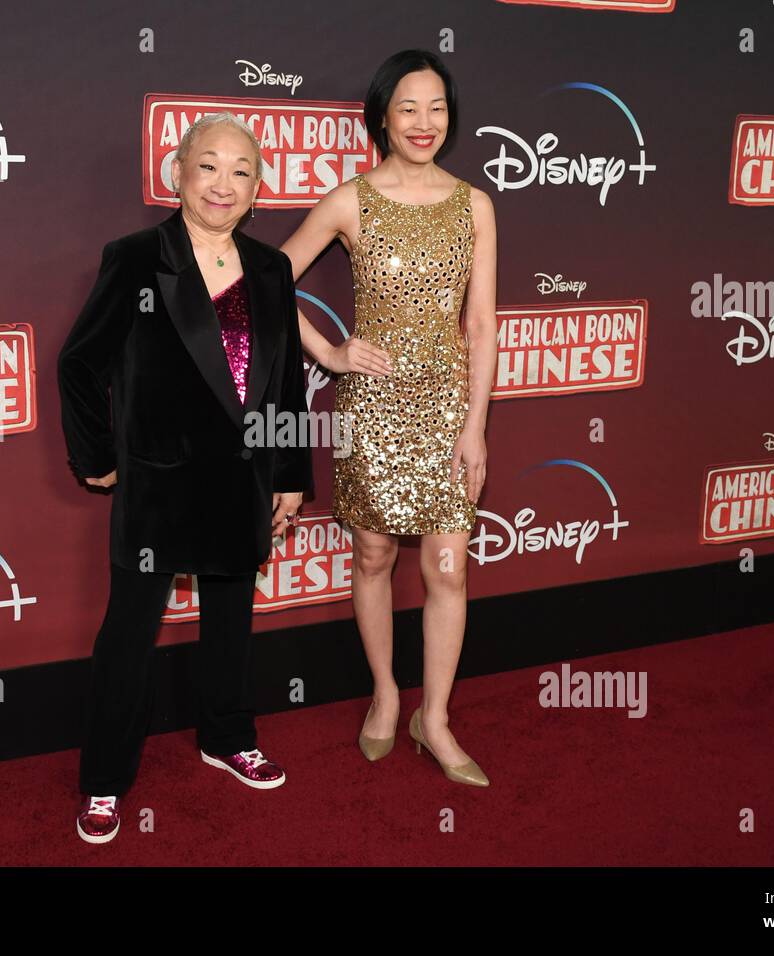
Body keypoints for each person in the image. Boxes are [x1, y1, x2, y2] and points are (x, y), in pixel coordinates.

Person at [58, 112, 313, 843]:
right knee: (128, 635)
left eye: (241, 171)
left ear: (258, 188)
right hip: (159, 485)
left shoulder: (271, 269)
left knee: (232, 619)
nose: (222, 184)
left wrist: (289, 470)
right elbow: (80, 363)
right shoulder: (137, 258)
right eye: (208, 166)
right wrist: (97, 458)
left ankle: (227, 737)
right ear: (177, 173)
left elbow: (284, 381)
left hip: (243, 479)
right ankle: (105, 780)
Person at [279, 50, 498, 786]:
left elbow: (482, 325)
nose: (423, 122)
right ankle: (385, 694)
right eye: (408, 107)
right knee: (373, 557)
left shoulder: (474, 205)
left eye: (436, 107)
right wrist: (330, 352)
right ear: (382, 116)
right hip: (371, 409)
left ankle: (435, 719)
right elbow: (267, 281)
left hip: (448, 410)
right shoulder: (351, 200)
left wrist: (475, 427)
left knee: (448, 568)